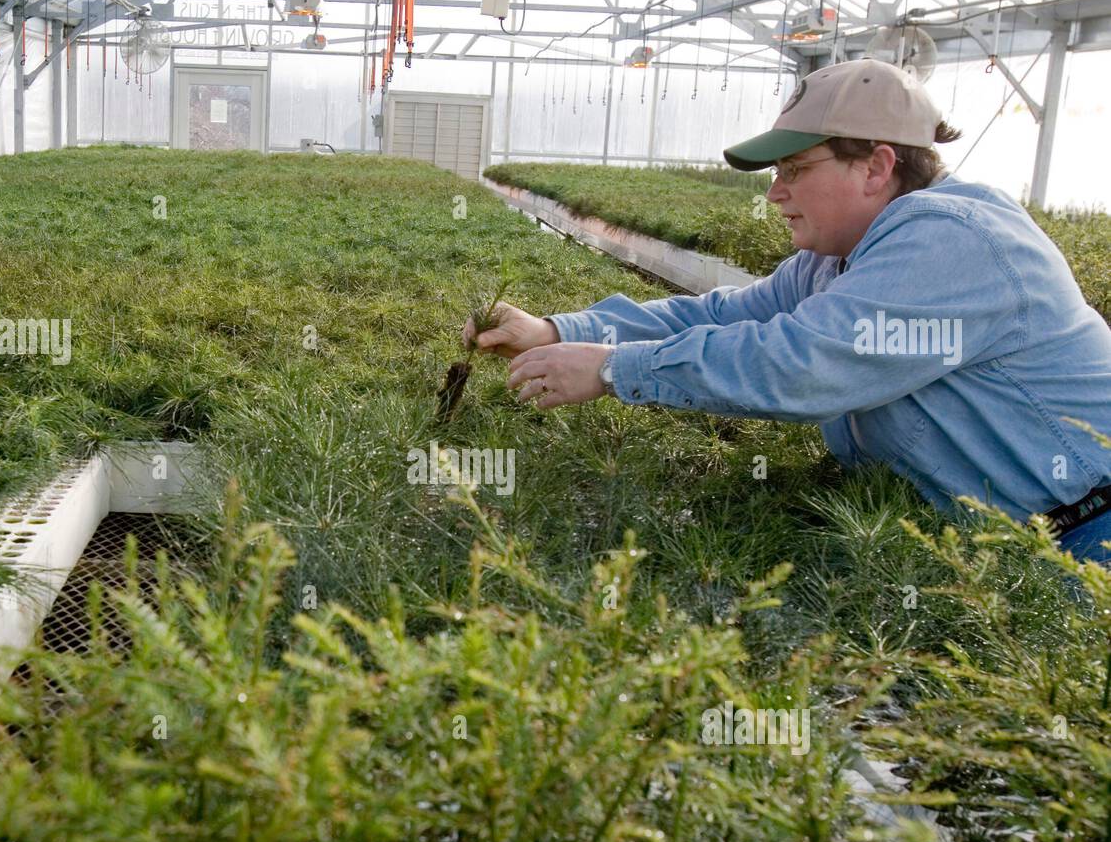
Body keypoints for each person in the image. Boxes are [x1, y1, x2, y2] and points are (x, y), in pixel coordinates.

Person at [465, 58, 1111, 563]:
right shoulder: (838, 255)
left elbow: (799, 365)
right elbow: (721, 317)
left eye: (794, 168)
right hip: (1007, 540)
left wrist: (612, 369)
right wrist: (556, 330)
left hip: (1086, 539)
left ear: (877, 167)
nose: (775, 193)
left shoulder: (951, 237)